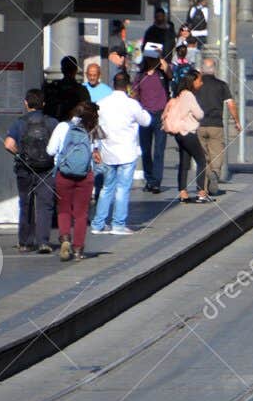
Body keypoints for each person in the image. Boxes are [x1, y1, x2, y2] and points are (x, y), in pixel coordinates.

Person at [89, 71, 150, 236]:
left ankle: (98, 224)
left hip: (108, 151)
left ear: (113, 84)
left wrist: (95, 147)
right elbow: (146, 121)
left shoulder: (102, 103)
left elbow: (95, 127)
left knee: (106, 188)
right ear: (128, 86)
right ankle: (118, 224)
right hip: (126, 152)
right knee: (122, 189)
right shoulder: (132, 104)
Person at [4, 89, 58, 253]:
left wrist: (20, 155)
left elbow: (8, 144)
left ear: (26, 103)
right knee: (45, 205)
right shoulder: (52, 123)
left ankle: (25, 242)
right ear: (44, 104)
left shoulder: (19, 123)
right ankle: (43, 242)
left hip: (24, 169)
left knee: (25, 204)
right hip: (46, 169)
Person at [48, 101, 99, 261]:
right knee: (81, 214)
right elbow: (96, 154)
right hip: (85, 175)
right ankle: (78, 249)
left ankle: (65, 239)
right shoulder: (92, 130)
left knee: (63, 209)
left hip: (64, 173)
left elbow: (50, 150)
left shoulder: (62, 127)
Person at [195, 57, 241, 196]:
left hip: (199, 125)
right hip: (216, 125)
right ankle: (214, 172)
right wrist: (237, 121)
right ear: (214, 69)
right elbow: (231, 104)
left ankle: (204, 188)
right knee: (217, 153)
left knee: (202, 157)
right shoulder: (222, 85)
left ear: (202, 69)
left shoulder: (196, 84)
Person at [162, 68, 208, 203]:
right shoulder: (189, 96)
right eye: (199, 80)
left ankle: (183, 193)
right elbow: (199, 114)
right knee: (201, 160)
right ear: (193, 81)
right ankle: (201, 192)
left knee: (184, 162)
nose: (201, 83)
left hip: (179, 134)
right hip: (188, 132)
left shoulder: (180, 94)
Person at [134, 56, 171, 193]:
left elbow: (171, 75)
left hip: (160, 115)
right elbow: (135, 93)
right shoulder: (140, 76)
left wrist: (163, 62)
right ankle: (149, 179)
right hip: (145, 115)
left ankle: (156, 182)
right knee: (146, 150)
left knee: (159, 150)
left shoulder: (162, 74)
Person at [43, 55, 90, 121]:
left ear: (62, 70)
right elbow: (87, 111)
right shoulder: (82, 90)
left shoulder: (52, 88)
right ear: (76, 70)